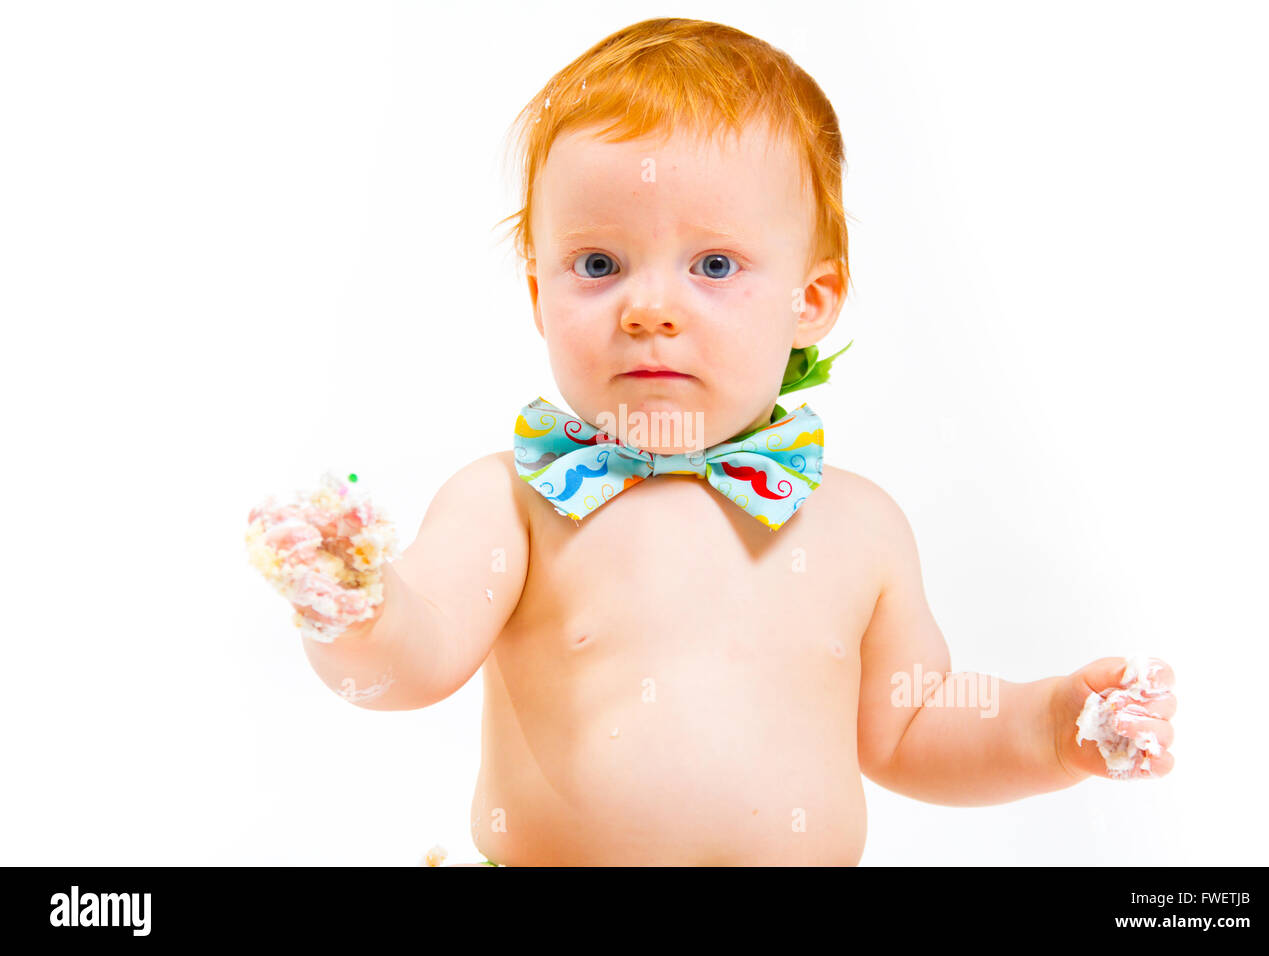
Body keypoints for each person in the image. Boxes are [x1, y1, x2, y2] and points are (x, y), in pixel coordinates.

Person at [248, 17, 1176, 866]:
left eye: (715, 264)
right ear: (539, 296)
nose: (650, 309)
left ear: (810, 302)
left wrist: (1053, 728)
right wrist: (354, 611)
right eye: (599, 264)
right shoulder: (513, 501)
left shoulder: (858, 525)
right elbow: (412, 662)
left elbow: (911, 730)